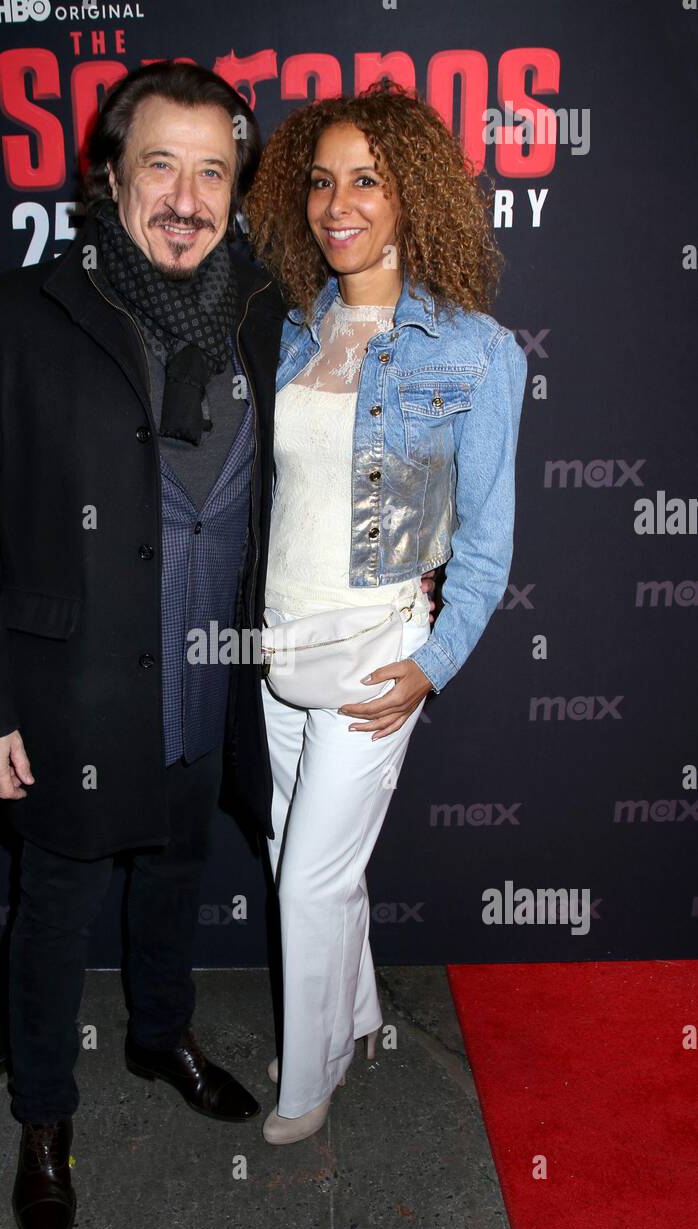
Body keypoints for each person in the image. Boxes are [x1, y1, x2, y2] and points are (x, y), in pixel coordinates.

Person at [0, 60, 290, 1229]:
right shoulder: (12, 319)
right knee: (58, 910)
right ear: (110, 178)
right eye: (159, 167)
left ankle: (160, 1031)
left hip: (210, 676)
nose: (185, 197)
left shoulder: (266, 312)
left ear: (236, 188)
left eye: (211, 171)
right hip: (67, 693)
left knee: (176, 869)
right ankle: (42, 1119)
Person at [237, 78, 528, 1144]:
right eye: (319, 180)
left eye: (366, 178)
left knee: (311, 880)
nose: (337, 202)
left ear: (413, 196)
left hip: (375, 650)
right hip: (276, 642)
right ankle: (352, 1015)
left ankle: (306, 1084)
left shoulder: (476, 352)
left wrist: (433, 662)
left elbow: (489, 545)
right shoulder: (286, 327)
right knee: (295, 855)